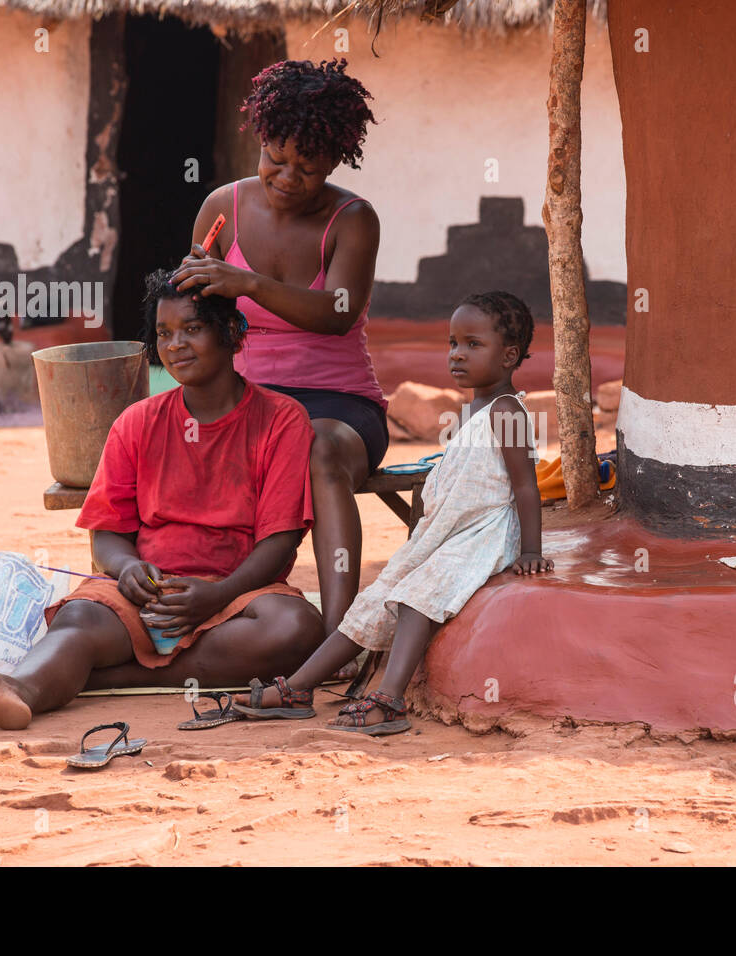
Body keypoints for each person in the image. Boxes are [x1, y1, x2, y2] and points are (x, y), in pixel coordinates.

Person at [0, 270, 324, 730]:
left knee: (296, 628)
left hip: (238, 596)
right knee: (80, 618)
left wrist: (216, 593)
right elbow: (109, 536)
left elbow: (280, 543)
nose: (176, 344)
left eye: (193, 329)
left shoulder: (282, 420)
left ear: (233, 334)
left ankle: (101, 678)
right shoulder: (136, 422)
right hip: (147, 600)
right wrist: (128, 569)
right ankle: (18, 690)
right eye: (164, 333)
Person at [233, 291, 553, 735]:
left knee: (415, 598)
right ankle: (299, 687)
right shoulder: (472, 409)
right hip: (444, 533)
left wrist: (529, 551)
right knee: (371, 600)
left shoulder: (506, 410)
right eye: (452, 343)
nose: (457, 355)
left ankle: (390, 699)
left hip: (482, 535)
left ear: (509, 356)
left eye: (472, 345)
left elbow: (524, 486)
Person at [171, 59, 387, 663]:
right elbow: (193, 312)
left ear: (335, 161)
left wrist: (247, 283)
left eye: (308, 167)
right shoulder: (222, 207)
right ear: (259, 141)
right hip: (249, 404)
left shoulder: (353, 220)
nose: (287, 177)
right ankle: (199, 613)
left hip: (338, 407)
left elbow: (339, 312)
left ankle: (341, 639)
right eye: (275, 158)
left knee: (317, 447)